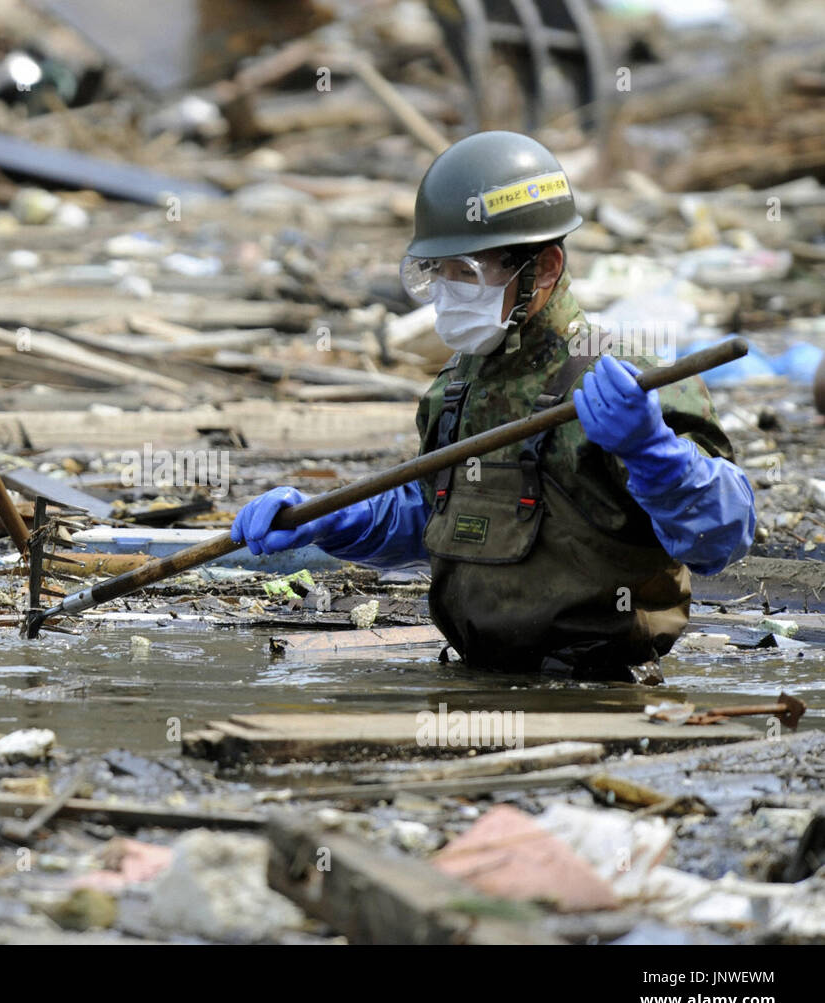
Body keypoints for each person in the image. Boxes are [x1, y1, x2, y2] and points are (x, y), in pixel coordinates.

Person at [231, 131, 756, 680]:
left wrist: (653, 452)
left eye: (469, 273)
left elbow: (724, 536)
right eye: (440, 274)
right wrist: (331, 519)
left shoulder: (627, 384)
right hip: (475, 680)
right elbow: (434, 514)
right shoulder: (456, 387)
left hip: (601, 700)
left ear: (545, 269)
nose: (450, 292)